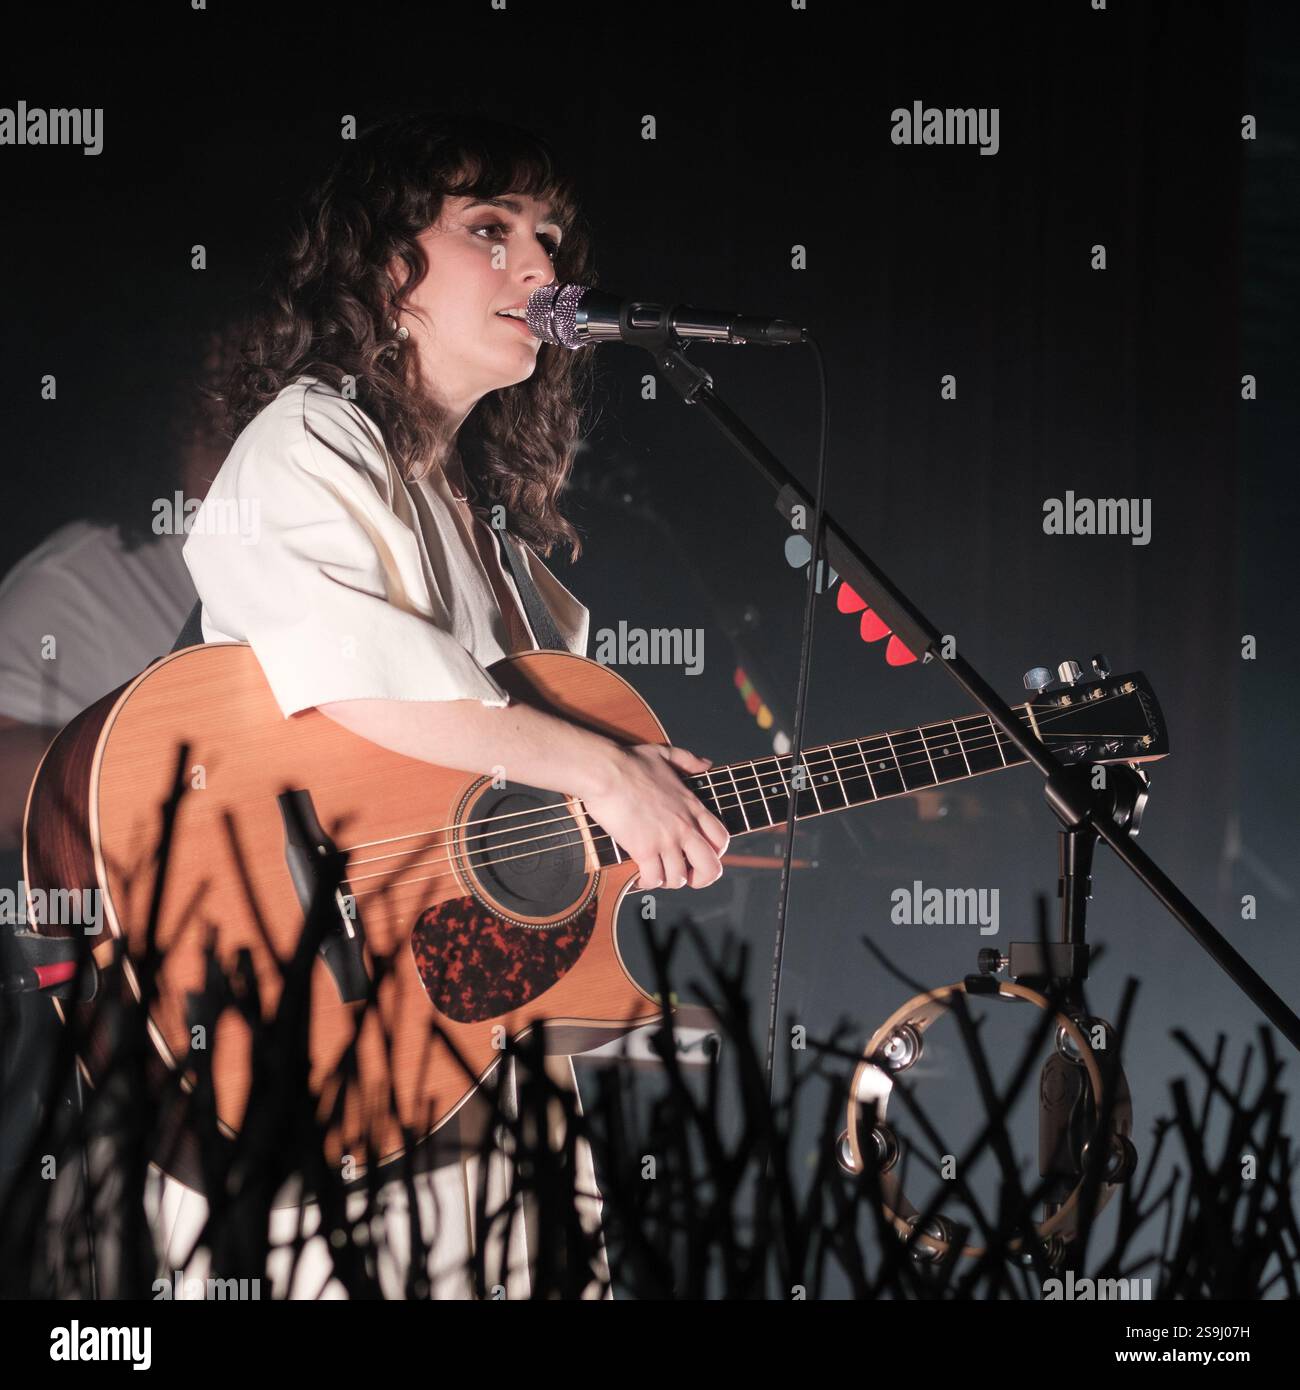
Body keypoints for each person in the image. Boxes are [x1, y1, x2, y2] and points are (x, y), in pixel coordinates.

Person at [165, 111, 732, 1299]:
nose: (543, 268)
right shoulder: (308, 437)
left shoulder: (481, 519)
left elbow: (479, 794)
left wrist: (625, 808)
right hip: (326, 1046)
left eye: (551, 238)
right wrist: (605, 772)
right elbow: (362, 682)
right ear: (385, 267)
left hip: (479, 1052)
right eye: (492, 230)